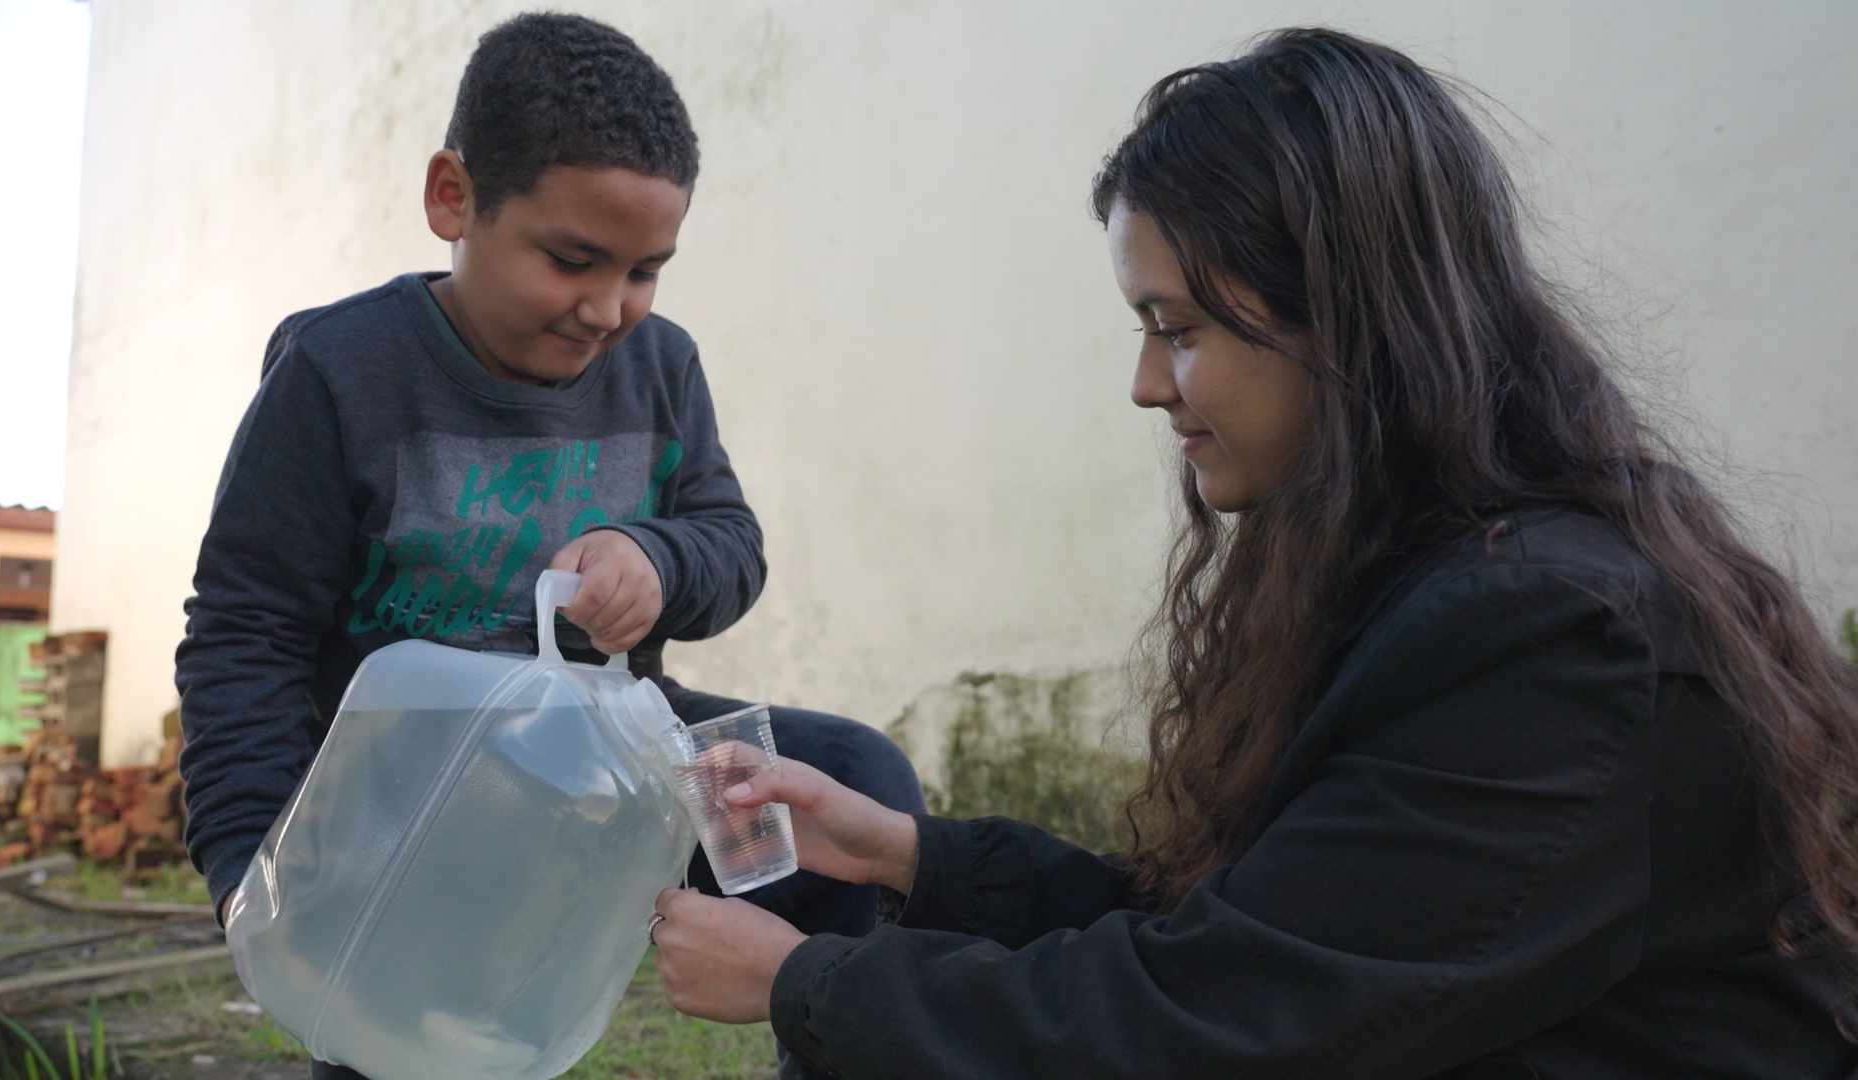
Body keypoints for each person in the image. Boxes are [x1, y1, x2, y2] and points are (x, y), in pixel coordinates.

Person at [648, 28, 1858, 1079]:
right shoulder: (1423, 575)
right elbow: (1260, 935)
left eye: (1177, 329)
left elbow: (1232, 1020)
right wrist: (911, 855)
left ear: (1345, 318)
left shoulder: (1547, 631)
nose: (1143, 384)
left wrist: (810, 981)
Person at [172, 13, 923, 1080]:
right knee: (398, 1043)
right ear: (454, 199)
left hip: (621, 760)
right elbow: (242, 634)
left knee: (849, 777)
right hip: (418, 796)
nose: (607, 309)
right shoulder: (339, 375)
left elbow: (732, 544)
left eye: (646, 270)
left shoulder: (661, 367)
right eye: (572, 259)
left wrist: (658, 559)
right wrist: (250, 865)